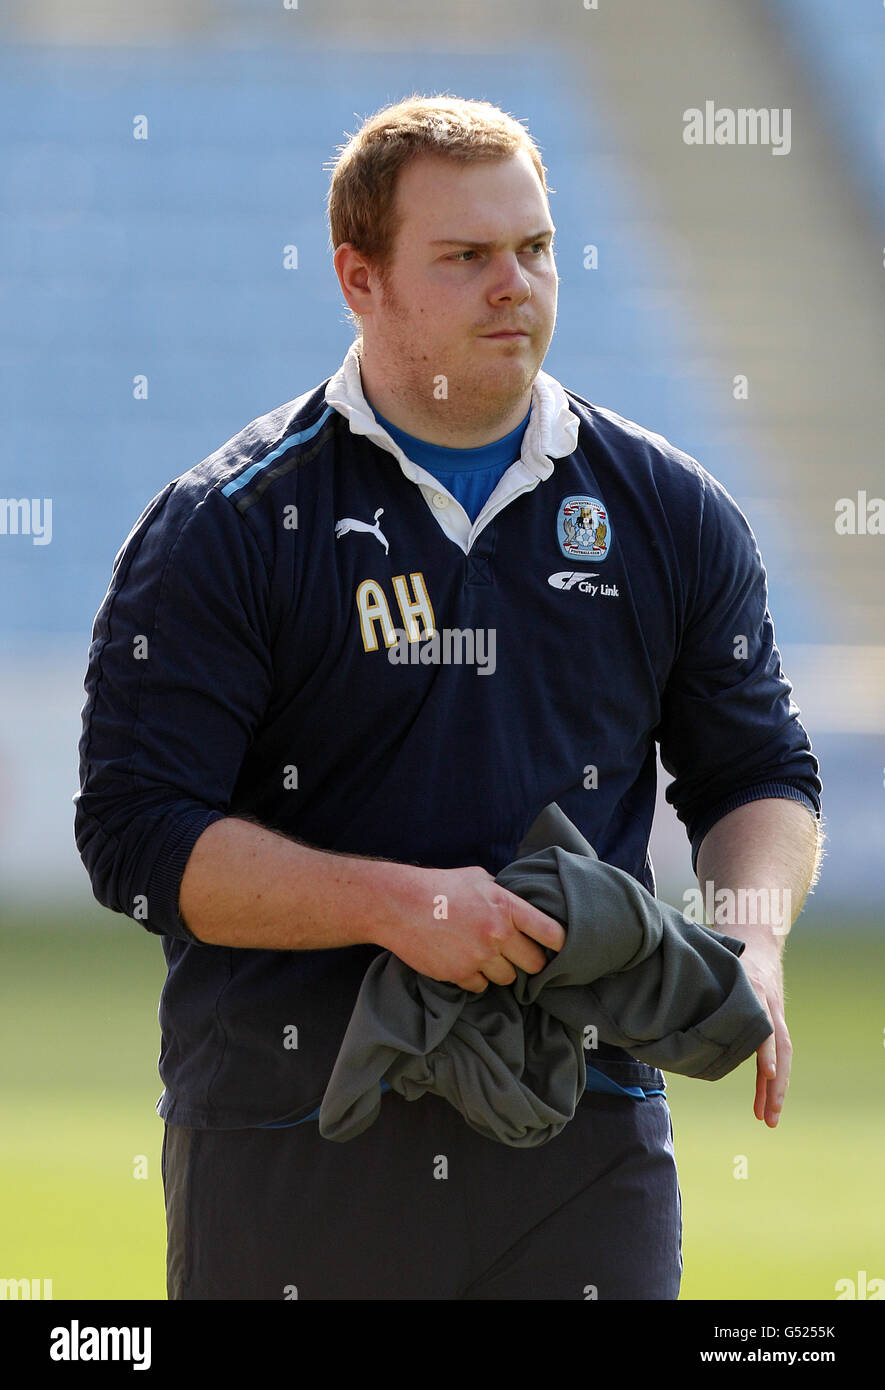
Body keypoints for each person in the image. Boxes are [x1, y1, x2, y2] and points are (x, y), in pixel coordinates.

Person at [74, 94, 823, 1301]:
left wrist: (756, 939)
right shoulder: (224, 527)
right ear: (359, 279)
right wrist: (398, 907)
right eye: (467, 257)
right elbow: (134, 833)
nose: (514, 285)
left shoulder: (672, 512)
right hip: (292, 1137)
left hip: (584, 1131)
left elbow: (759, 775)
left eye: (533, 249)